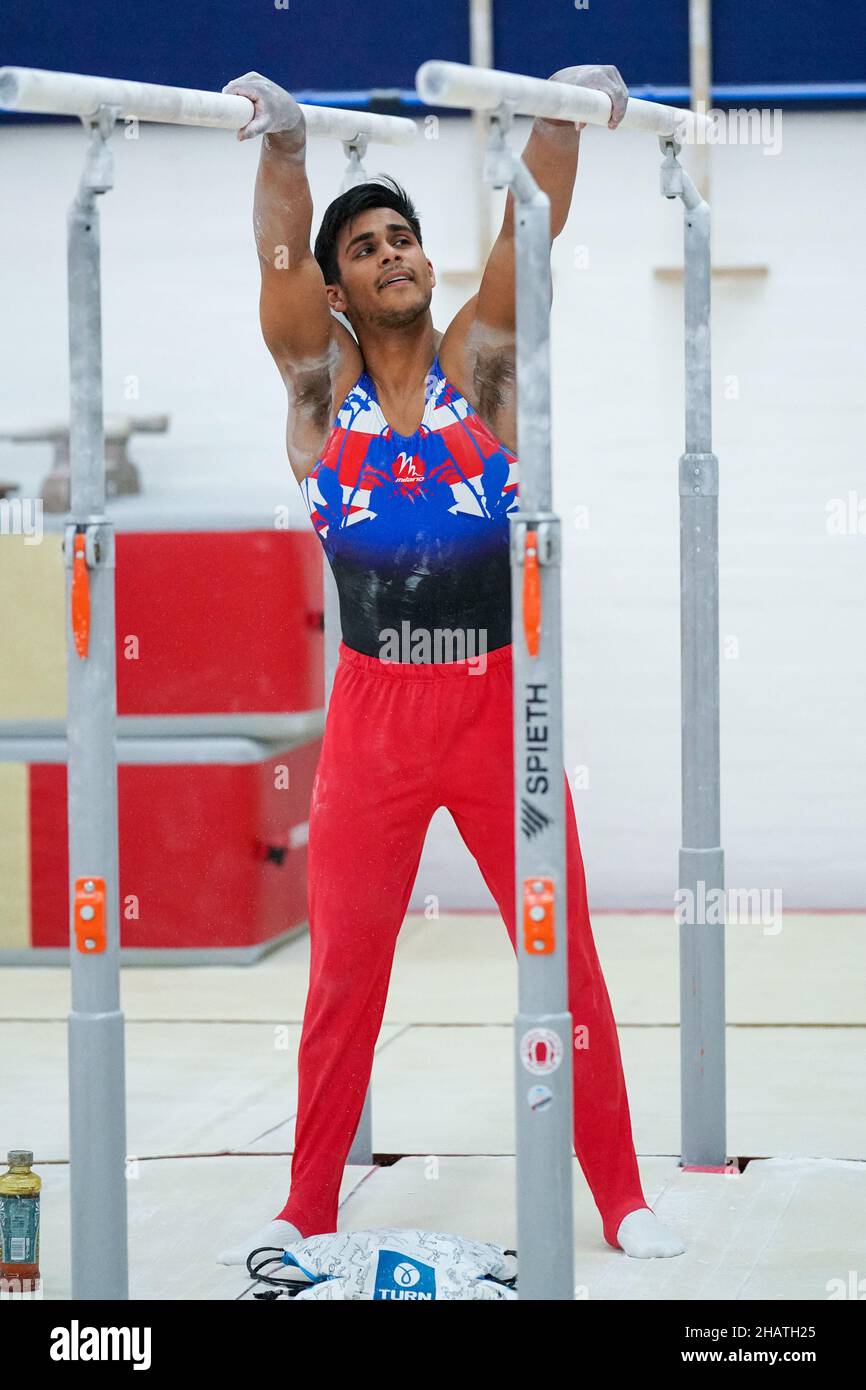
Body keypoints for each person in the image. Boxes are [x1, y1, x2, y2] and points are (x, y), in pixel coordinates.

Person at [217, 66, 685, 1265]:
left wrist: (563, 118)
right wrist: (284, 148)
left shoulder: (484, 364)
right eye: (367, 246)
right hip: (373, 714)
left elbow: (534, 223)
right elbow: (277, 272)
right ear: (339, 282)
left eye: (406, 238)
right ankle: (308, 1201)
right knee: (345, 976)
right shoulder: (318, 393)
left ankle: (622, 1192)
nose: (395, 256)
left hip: (496, 706)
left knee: (562, 951)